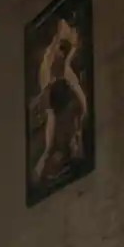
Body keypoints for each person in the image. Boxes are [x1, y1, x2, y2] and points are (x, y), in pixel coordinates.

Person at [32, 18, 89, 184]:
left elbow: (77, 92)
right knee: (50, 146)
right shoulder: (51, 67)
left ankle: (61, 159)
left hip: (59, 103)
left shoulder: (62, 70)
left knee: (55, 143)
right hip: (55, 102)